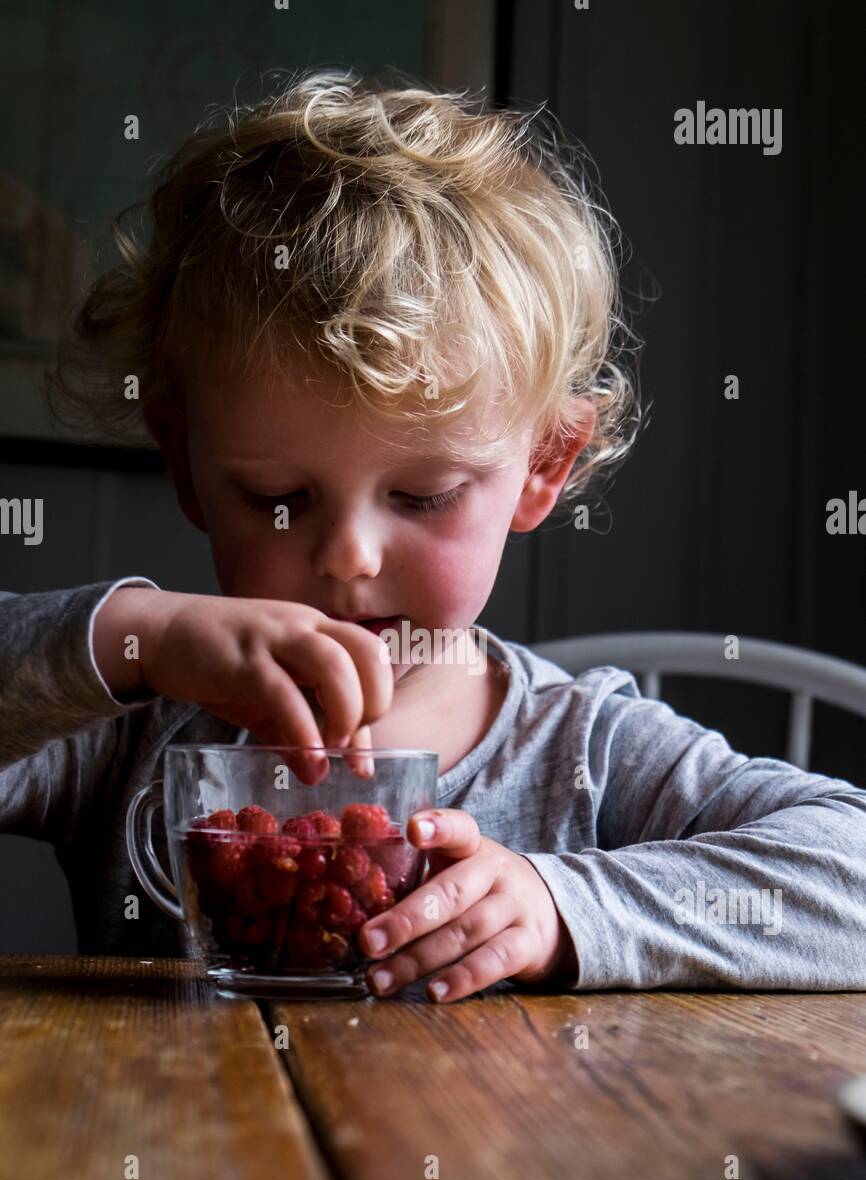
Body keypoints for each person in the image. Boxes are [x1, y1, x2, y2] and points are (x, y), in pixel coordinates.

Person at [2, 71, 864, 1000]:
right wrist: (130, 637)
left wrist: (565, 904)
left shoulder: (583, 751)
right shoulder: (124, 725)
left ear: (543, 467)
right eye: (277, 496)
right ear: (185, 464)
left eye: (423, 494)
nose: (350, 557)